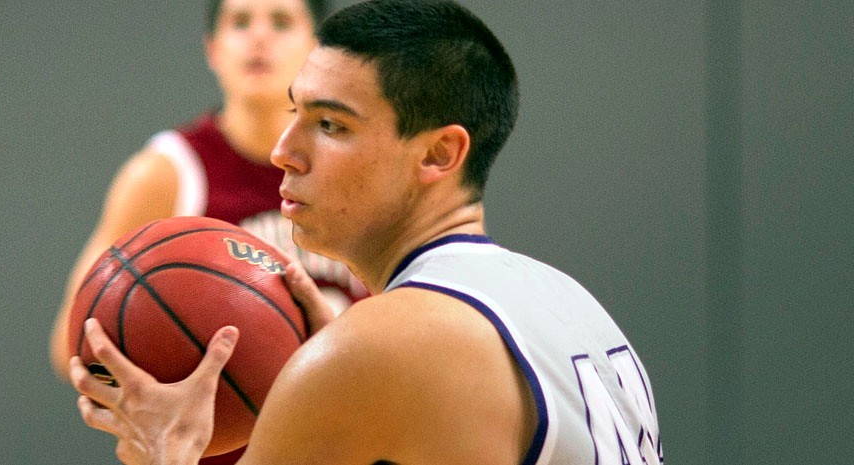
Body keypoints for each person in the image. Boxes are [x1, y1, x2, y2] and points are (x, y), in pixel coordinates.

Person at [69, 1, 664, 464]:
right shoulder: (567, 299)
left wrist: (166, 453)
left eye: (329, 124)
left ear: (439, 153)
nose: (284, 151)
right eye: (294, 112)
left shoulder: (371, 352)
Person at [50, 0, 366, 382]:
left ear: (318, 50)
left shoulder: (359, 167)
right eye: (240, 22)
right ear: (212, 49)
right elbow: (75, 344)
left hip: (343, 430)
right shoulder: (166, 173)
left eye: (281, 22)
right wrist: (149, 389)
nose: (259, 37)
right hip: (217, 441)